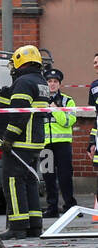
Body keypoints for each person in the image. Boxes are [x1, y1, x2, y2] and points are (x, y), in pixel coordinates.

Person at [0, 44, 50, 239]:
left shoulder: (24, 82)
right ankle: (34, 225)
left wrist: (8, 139)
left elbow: (19, 114)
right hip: (35, 142)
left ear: (20, 61)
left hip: (21, 142)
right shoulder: (40, 81)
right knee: (30, 182)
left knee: (13, 182)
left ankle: (17, 227)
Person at [41, 66, 77, 217]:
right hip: (45, 145)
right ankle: (52, 208)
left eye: (55, 81)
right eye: (49, 81)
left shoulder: (68, 101)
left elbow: (70, 121)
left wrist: (56, 110)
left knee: (65, 176)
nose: (52, 84)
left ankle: (70, 207)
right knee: (48, 176)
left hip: (62, 145)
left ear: (60, 84)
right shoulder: (40, 101)